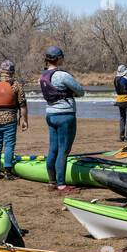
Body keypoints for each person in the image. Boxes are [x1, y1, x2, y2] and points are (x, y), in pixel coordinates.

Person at [39, 46, 85, 192]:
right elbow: (81, 91)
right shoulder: (62, 75)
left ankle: (52, 181)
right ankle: (61, 184)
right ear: (59, 58)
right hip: (65, 115)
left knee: (53, 148)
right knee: (64, 150)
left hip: (50, 114)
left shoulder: (43, 75)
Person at [0, 60, 28, 180]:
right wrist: (25, 120)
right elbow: (23, 105)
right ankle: (8, 172)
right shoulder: (16, 84)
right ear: (12, 72)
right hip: (10, 118)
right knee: (9, 145)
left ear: (0, 71)